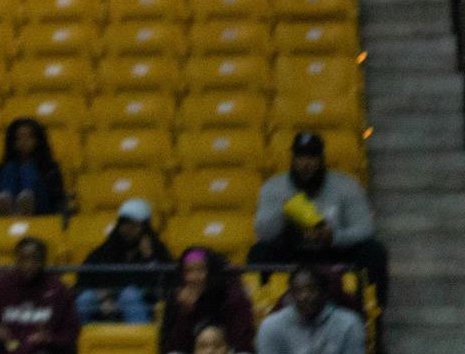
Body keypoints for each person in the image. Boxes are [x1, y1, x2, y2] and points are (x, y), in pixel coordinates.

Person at [247, 131, 388, 306]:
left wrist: (334, 237)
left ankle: (371, 310)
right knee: (259, 253)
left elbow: (365, 229)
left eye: (312, 157)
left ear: (321, 158)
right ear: (293, 159)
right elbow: (262, 231)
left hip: (333, 250)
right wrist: (284, 214)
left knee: (373, 251)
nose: (306, 164)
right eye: (300, 157)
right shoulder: (274, 187)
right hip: (292, 251)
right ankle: (262, 310)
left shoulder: (346, 185)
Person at [0, 237, 78, 354]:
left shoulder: (59, 290)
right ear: (16, 259)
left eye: (34, 259)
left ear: (43, 261)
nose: (28, 265)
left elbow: (70, 335)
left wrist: (49, 339)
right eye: (23, 259)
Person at [74, 199, 171, 325]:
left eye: (135, 225)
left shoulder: (156, 250)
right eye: (125, 224)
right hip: (106, 298)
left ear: (144, 227)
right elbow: (86, 276)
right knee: (85, 299)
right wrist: (104, 297)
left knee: (129, 295)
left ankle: (137, 341)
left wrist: (149, 258)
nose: (129, 229)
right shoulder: (108, 248)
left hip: (143, 300)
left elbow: (161, 283)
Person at [157, 249, 255, 354]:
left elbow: (243, 343)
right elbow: (170, 346)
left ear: (211, 271)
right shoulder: (177, 298)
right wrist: (185, 312)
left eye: (200, 270)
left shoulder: (232, 295)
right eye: (189, 271)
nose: (194, 277)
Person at [253, 267, 363, 354]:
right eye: (298, 291)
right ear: (290, 296)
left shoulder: (348, 324)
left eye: (311, 289)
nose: (304, 296)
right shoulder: (271, 326)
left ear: (324, 293)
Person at [0, 118, 67, 216]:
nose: (23, 142)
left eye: (28, 137)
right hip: (9, 207)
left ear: (38, 140)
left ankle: (26, 199)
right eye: (18, 138)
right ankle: (6, 202)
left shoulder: (49, 167)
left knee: (27, 169)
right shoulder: (0, 169)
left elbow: (57, 197)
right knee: (10, 169)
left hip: (40, 208)